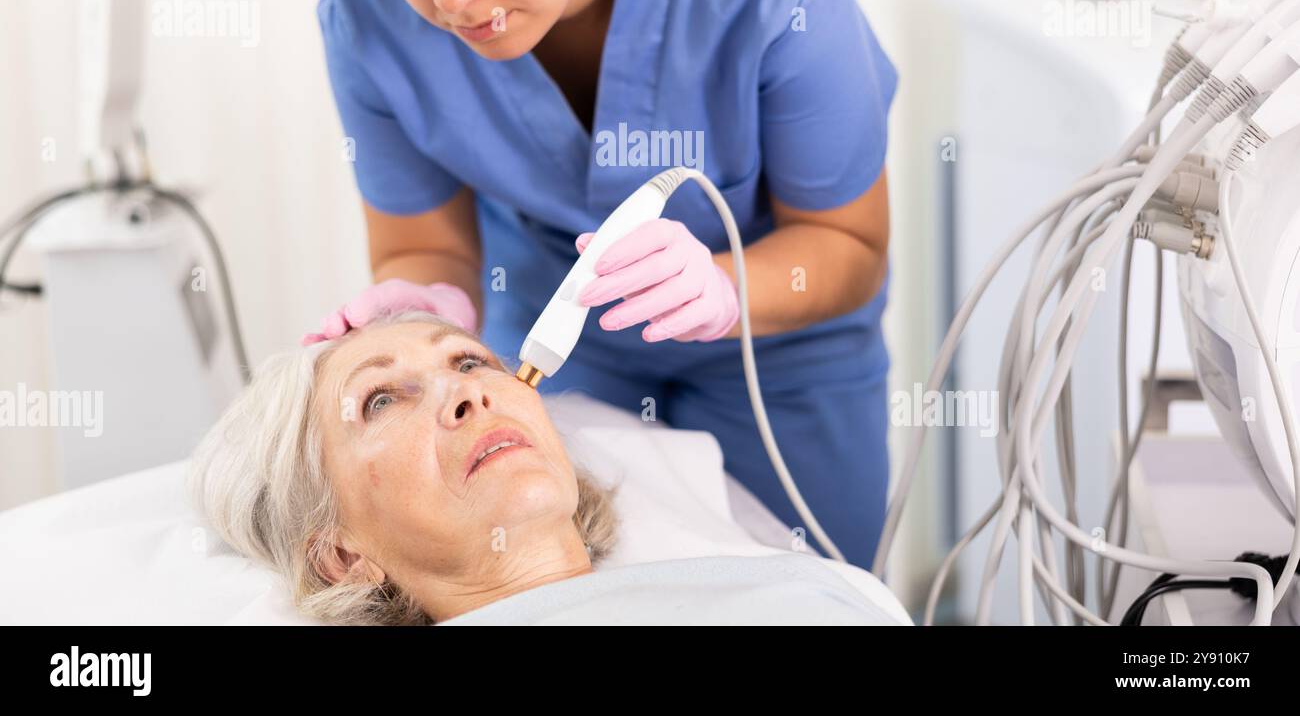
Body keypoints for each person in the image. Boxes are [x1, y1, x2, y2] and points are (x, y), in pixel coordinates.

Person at [305, 0, 898, 570]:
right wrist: (424, 300)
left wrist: (731, 288)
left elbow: (847, 243)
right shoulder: (363, 17)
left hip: (780, 356)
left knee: (808, 593)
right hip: (558, 342)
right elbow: (422, 250)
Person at [189, 309, 907, 626]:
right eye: (380, 400)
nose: (466, 390)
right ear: (343, 555)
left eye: (470, 359)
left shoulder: (805, 591)